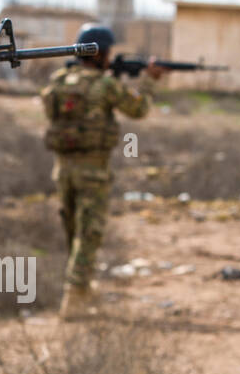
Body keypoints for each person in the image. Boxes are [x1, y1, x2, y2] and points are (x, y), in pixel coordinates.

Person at [40, 23, 165, 318]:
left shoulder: (59, 80)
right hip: (93, 171)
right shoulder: (106, 85)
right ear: (100, 54)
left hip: (63, 170)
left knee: (74, 232)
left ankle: (82, 289)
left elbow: (51, 110)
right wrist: (149, 81)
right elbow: (138, 109)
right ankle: (74, 299)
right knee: (89, 233)